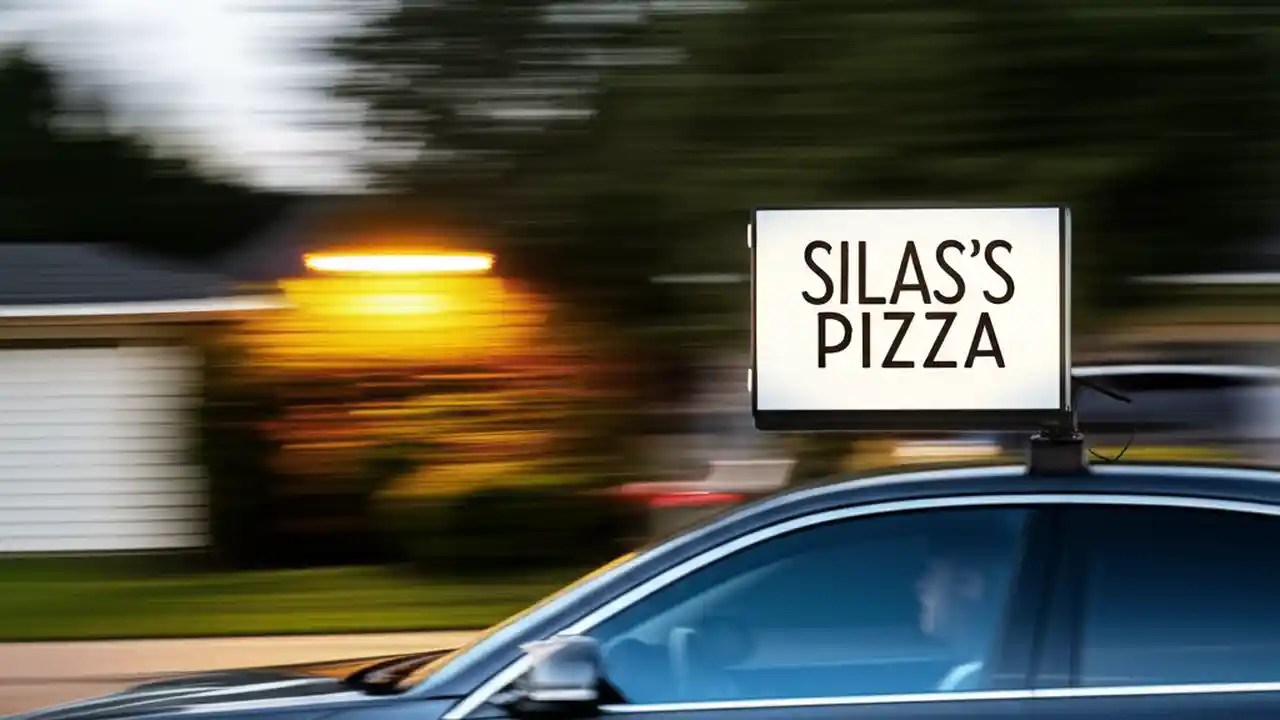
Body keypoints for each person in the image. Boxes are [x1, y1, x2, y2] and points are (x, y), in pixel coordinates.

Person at [914, 529, 1016, 692]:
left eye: (931, 573)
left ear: (969, 584)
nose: (920, 587)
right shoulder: (977, 678)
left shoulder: (970, 685)